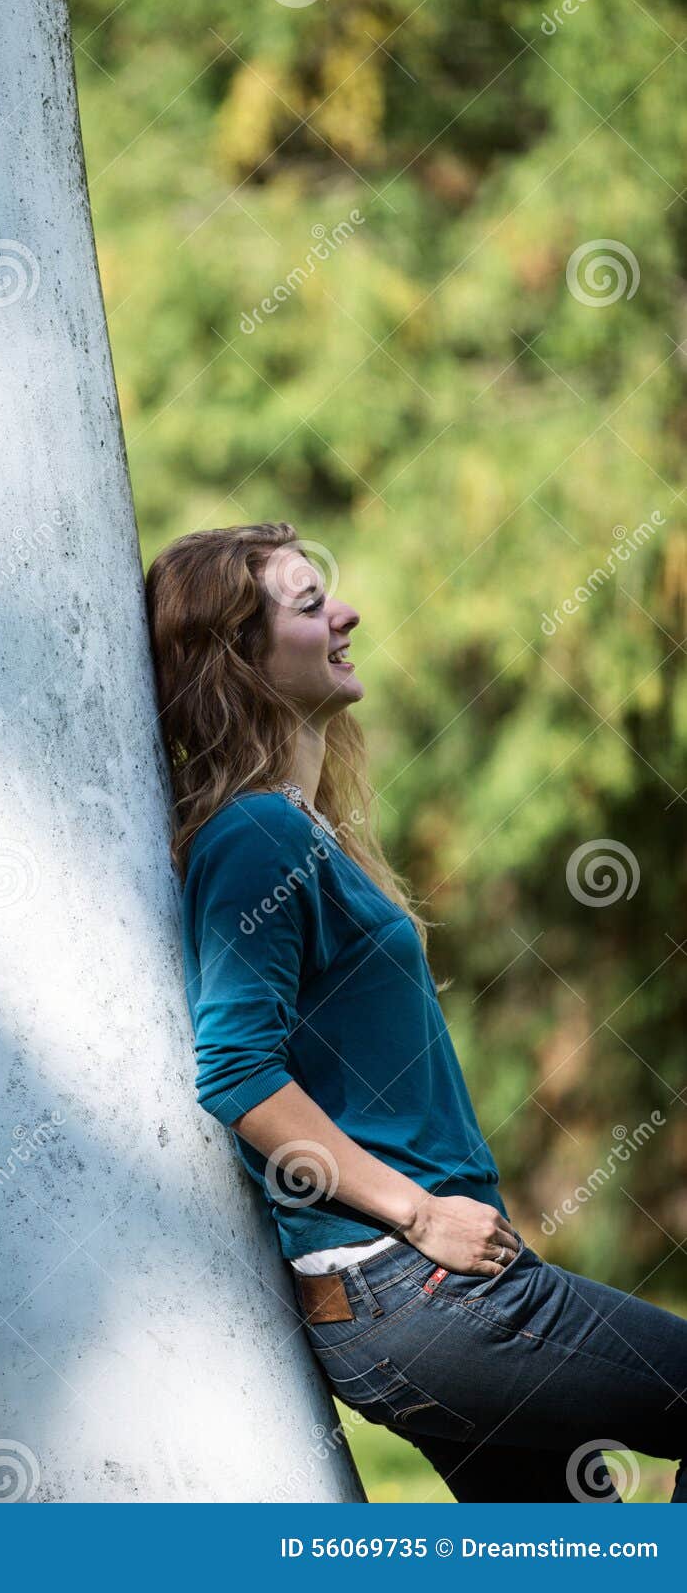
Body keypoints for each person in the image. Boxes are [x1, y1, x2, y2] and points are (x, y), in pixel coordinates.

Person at [145, 519, 687, 1503]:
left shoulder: (298, 827)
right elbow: (235, 1070)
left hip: (415, 1294)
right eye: (310, 605)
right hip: (413, 1280)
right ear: (240, 657)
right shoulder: (258, 835)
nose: (345, 613)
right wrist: (422, 1212)